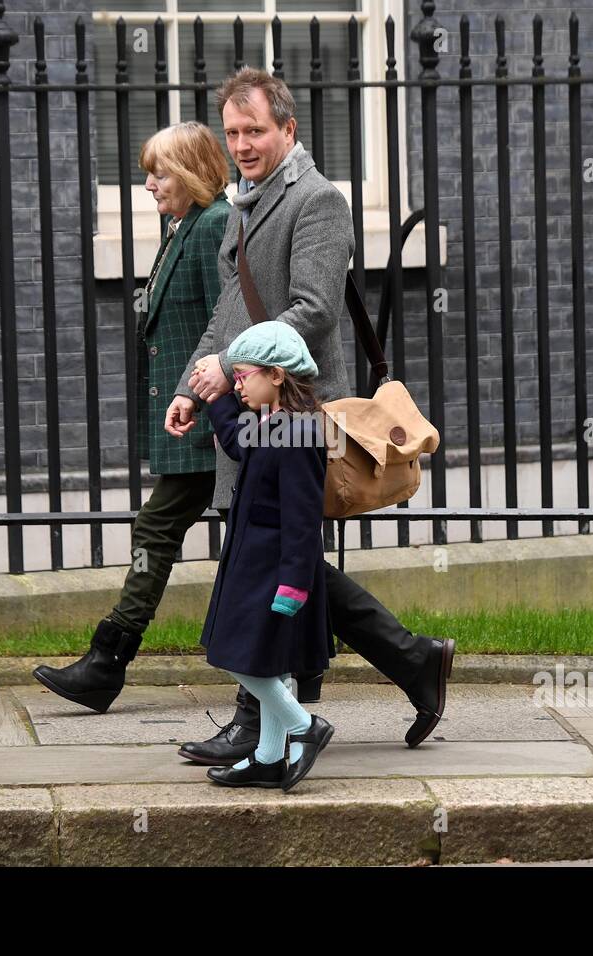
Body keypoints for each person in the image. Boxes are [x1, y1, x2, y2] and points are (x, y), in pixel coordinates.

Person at [169, 67, 455, 765]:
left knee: (268, 556)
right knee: (276, 557)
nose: (241, 143)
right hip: (247, 401)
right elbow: (224, 312)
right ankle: (410, 663)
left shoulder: (318, 201)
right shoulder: (245, 201)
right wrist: (194, 383)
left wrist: (231, 365)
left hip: (293, 410)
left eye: (255, 130)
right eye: (232, 132)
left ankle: (265, 716)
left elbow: (314, 310)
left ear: (288, 130)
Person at [32, 122, 235, 712]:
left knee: (157, 530)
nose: (148, 184)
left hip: (207, 420)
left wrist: (195, 395)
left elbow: (221, 327)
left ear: (194, 171)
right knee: (261, 544)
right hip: (188, 417)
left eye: (160, 172)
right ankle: (399, 653)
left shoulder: (214, 225)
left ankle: (107, 661)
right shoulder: (184, 227)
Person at [194, 322, 334, 790]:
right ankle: (270, 758)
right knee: (269, 661)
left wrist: (294, 583)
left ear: (276, 375)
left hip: (274, 570)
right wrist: (216, 400)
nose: (237, 384)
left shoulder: (299, 433)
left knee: (237, 654)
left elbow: (302, 517)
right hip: (251, 562)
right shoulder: (272, 424)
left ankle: (304, 727)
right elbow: (237, 442)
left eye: (243, 377)